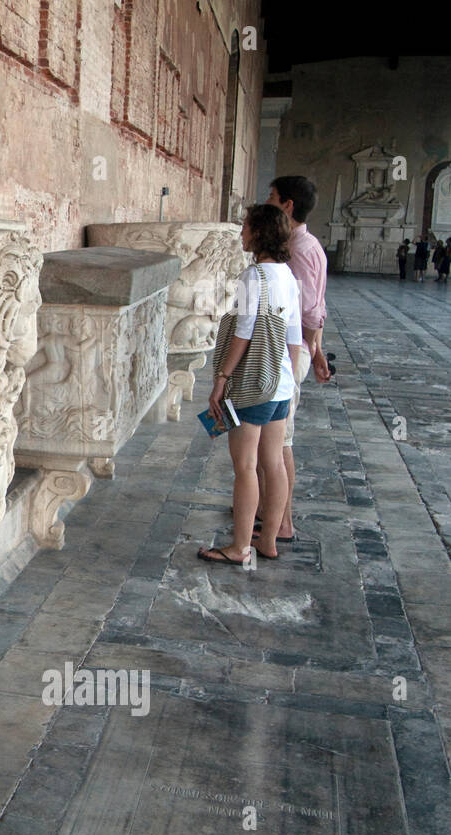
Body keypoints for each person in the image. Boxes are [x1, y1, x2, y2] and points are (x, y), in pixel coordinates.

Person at [199, 204, 306, 567]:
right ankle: (269, 540)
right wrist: (288, 382)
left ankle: (240, 546)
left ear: (259, 233)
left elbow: (243, 333)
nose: (242, 233)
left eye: (245, 227)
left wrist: (221, 380)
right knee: (273, 462)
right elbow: (294, 335)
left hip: (252, 385)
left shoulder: (254, 276)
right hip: (280, 385)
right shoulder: (289, 277)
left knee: (245, 466)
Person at [264, 175, 330, 544]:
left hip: (289, 353)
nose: (267, 201)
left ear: (287, 205)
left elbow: (303, 311)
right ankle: (268, 511)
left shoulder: (299, 250)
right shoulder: (305, 244)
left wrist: (300, 357)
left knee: (280, 441)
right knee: (275, 440)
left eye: (272, 197)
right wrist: (317, 352)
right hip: (300, 350)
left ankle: (282, 522)